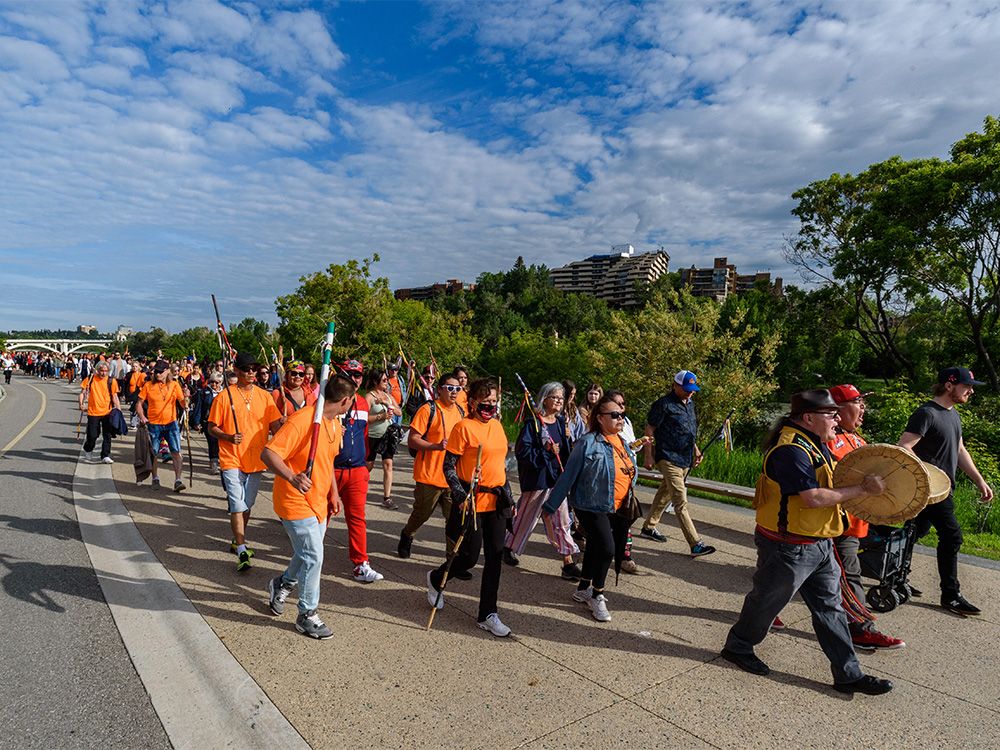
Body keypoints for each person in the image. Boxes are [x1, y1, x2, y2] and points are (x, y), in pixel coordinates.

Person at [721, 389, 893, 695]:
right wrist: (863, 489)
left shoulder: (813, 443)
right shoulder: (791, 451)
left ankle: (848, 673)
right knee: (767, 602)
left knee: (831, 609)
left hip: (817, 543)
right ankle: (738, 646)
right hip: (789, 546)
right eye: (831, 414)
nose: (837, 419)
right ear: (808, 418)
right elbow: (812, 498)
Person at [261, 374, 355, 639]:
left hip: (319, 502)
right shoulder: (303, 421)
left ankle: (283, 583)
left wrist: (334, 493)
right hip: (294, 501)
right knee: (314, 555)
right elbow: (268, 453)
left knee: (306, 553)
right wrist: (292, 477)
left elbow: (328, 461)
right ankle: (307, 614)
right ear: (345, 400)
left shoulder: (334, 424)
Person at [898, 367, 995, 616]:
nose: (971, 391)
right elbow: (904, 446)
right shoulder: (926, 413)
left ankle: (895, 577)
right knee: (952, 537)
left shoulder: (953, 415)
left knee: (915, 531)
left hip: (944, 489)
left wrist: (979, 480)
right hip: (930, 490)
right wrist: (926, 475)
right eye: (967, 386)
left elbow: (960, 451)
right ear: (949, 386)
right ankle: (950, 595)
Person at [425, 378, 515, 637]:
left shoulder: (498, 427)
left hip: (496, 502)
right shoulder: (463, 427)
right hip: (472, 500)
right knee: (468, 557)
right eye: (485, 403)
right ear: (473, 402)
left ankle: (488, 613)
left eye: (494, 403)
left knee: (496, 557)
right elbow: (448, 466)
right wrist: (460, 493)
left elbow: (501, 469)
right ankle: (435, 578)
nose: (490, 408)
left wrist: (510, 498)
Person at [543, 394, 638, 623]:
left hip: (617, 506)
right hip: (590, 504)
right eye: (614, 415)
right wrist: (550, 507)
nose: (620, 419)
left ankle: (584, 586)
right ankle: (597, 594)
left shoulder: (622, 442)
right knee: (607, 548)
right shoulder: (587, 443)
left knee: (596, 545)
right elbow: (568, 476)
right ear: (599, 418)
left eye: (622, 415)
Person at [825, 384, 905, 650]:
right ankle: (861, 629)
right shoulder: (827, 439)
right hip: (833, 524)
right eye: (857, 402)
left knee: (793, 575)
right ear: (838, 407)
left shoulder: (857, 440)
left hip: (854, 523)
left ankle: (761, 614)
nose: (863, 408)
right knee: (850, 575)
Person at [207, 352, 283, 572]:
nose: (251, 373)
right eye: (247, 369)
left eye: (254, 369)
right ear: (237, 371)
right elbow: (211, 427)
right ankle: (241, 549)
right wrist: (228, 437)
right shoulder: (224, 396)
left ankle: (238, 538)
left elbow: (276, 426)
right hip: (231, 458)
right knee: (237, 504)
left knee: (247, 505)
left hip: (256, 460)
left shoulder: (265, 397)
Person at [503, 382, 581, 580]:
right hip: (539, 478)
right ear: (544, 399)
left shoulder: (562, 423)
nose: (558, 401)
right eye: (554, 397)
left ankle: (568, 562)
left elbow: (565, 453)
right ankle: (507, 545)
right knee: (525, 517)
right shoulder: (534, 424)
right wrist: (545, 451)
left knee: (562, 520)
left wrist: (568, 441)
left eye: (561, 398)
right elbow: (523, 452)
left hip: (557, 479)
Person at [640, 371, 716, 557]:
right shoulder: (663, 404)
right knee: (680, 501)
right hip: (667, 457)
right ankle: (695, 543)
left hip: (685, 458)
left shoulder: (690, 405)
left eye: (693, 389)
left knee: (665, 494)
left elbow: (689, 431)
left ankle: (648, 527)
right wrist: (648, 456)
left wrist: (696, 450)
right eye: (687, 389)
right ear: (675, 385)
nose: (691, 393)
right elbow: (650, 428)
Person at [397, 373, 466, 558]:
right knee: (422, 514)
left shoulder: (461, 412)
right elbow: (412, 440)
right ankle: (407, 534)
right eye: (450, 388)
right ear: (439, 389)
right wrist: (435, 446)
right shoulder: (428, 409)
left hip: (452, 478)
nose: (454, 392)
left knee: (453, 519)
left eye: (458, 389)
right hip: (429, 475)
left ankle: (452, 557)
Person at [334, 359, 384, 583]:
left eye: (358, 375)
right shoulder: (328, 400)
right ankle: (307, 560)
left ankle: (361, 563)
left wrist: (365, 463)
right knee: (320, 518)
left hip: (356, 470)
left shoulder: (363, 403)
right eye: (350, 374)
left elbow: (364, 435)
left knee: (357, 519)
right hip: (332, 469)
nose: (355, 379)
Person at [136, 361, 189, 490]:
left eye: (160, 371)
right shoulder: (148, 385)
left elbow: (182, 404)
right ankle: (155, 478)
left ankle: (178, 480)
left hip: (171, 423)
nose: (157, 374)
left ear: (167, 371)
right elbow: (139, 404)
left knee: (176, 452)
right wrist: (142, 417)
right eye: (156, 371)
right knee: (154, 453)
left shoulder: (175, 385)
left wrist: (186, 400)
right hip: (154, 424)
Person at [364, 369, 402, 509]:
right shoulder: (369, 397)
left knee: (388, 464)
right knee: (368, 465)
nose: (387, 382)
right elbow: (364, 418)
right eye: (384, 380)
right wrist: (380, 417)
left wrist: (387, 403)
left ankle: (387, 497)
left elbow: (398, 411)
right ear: (375, 381)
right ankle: (357, 488)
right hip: (373, 435)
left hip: (388, 435)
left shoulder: (388, 396)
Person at [79, 361, 121, 464]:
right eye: (102, 371)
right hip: (93, 412)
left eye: (106, 371)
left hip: (108, 412)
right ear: (97, 370)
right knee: (93, 435)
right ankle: (88, 449)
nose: (103, 373)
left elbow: (115, 396)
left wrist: (118, 410)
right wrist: (81, 404)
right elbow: (82, 393)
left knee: (107, 435)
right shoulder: (90, 379)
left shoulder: (111, 381)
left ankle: (105, 455)